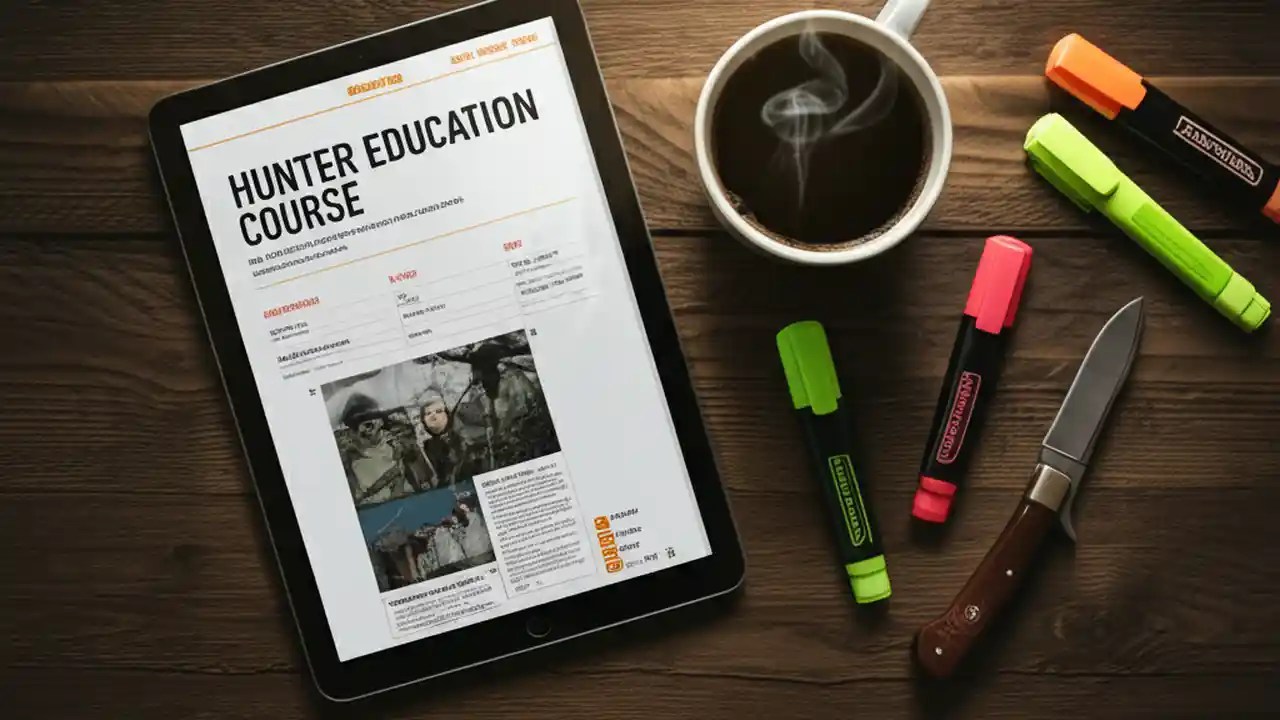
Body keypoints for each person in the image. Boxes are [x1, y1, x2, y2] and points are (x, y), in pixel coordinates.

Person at [338, 393, 431, 506]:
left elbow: (428, 484)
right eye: (354, 425)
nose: (362, 430)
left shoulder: (404, 447)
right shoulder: (348, 462)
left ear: (380, 421)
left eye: (368, 424)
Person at [418, 396, 486, 487]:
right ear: (423, 421)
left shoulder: (465, 434)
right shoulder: (427, 446)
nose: (433, 415)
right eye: (428, 413)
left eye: (438, 411)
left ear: (447, 414)